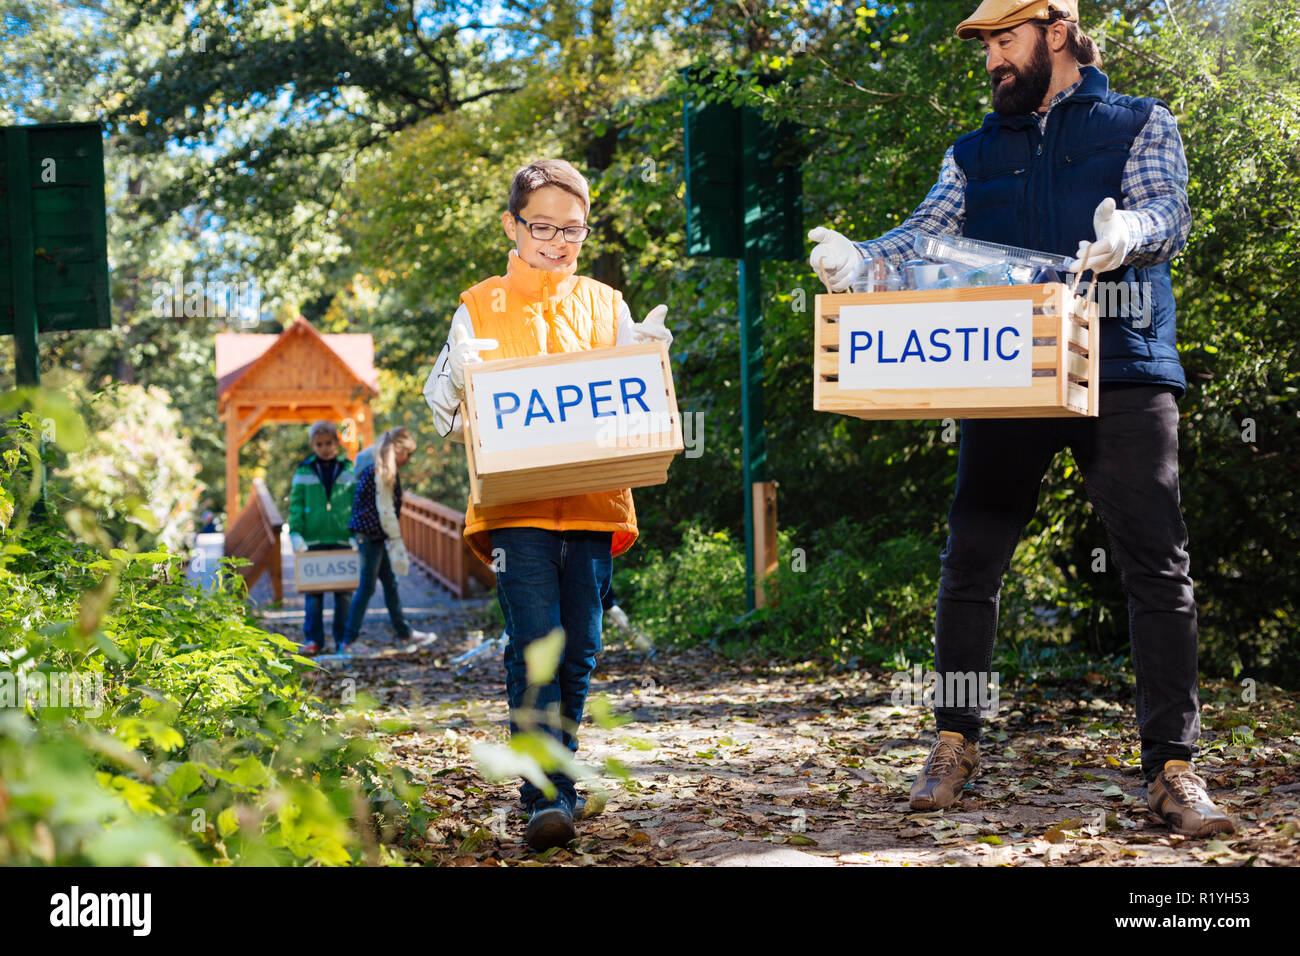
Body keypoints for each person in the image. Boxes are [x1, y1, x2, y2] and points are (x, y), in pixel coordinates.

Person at [808, 0, 1232, 836]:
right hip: (1005, 368)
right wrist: (860, 260)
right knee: (971, 560)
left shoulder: (1140, 121)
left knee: (1157, 566)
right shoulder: (973, 153)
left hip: (1124, 366)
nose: (994, 59)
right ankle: (954, 744)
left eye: (1007, 41)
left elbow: (1167, 215)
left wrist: (1127, 234)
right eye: (987, 47)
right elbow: (921, 235)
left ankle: (1173, 769)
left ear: (1058, 33)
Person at [423, 158, 672, 851]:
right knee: (536, 643)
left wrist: (648, 354)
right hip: (516, 507)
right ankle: (545, 796)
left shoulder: (606, 303)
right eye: (543, 227)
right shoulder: (478, 306)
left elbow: (635, 396)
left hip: (593, 505)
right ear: (512, 225)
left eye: (573, 230)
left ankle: (559, 775)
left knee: (580, 651)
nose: (558, 241)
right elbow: (444, 405)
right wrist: (460, 390)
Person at [339, 426, 434, 655]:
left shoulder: (375, 465)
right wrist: (397, 542)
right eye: (408, 454)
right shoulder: (382, 471)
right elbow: (386, 511)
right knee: (367, 587)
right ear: (398, 449)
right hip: (370, 536)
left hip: (373, 535)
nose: (408, 460)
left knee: (389, 585)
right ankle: (348, 642)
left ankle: (404, 633)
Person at [288, 421, 356, 656]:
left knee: (344, 595)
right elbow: (296, 503)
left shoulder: (348, 469)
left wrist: (356, 532)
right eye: (319, 444)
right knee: (313, 595)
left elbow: (356, 502)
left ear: (336, 443)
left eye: (328, 443)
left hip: (342, 537)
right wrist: (295, 532)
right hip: (312, 539)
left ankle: (342, 640)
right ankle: (313, 639)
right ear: (312, 445)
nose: (324, 448)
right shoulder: (304, 471)